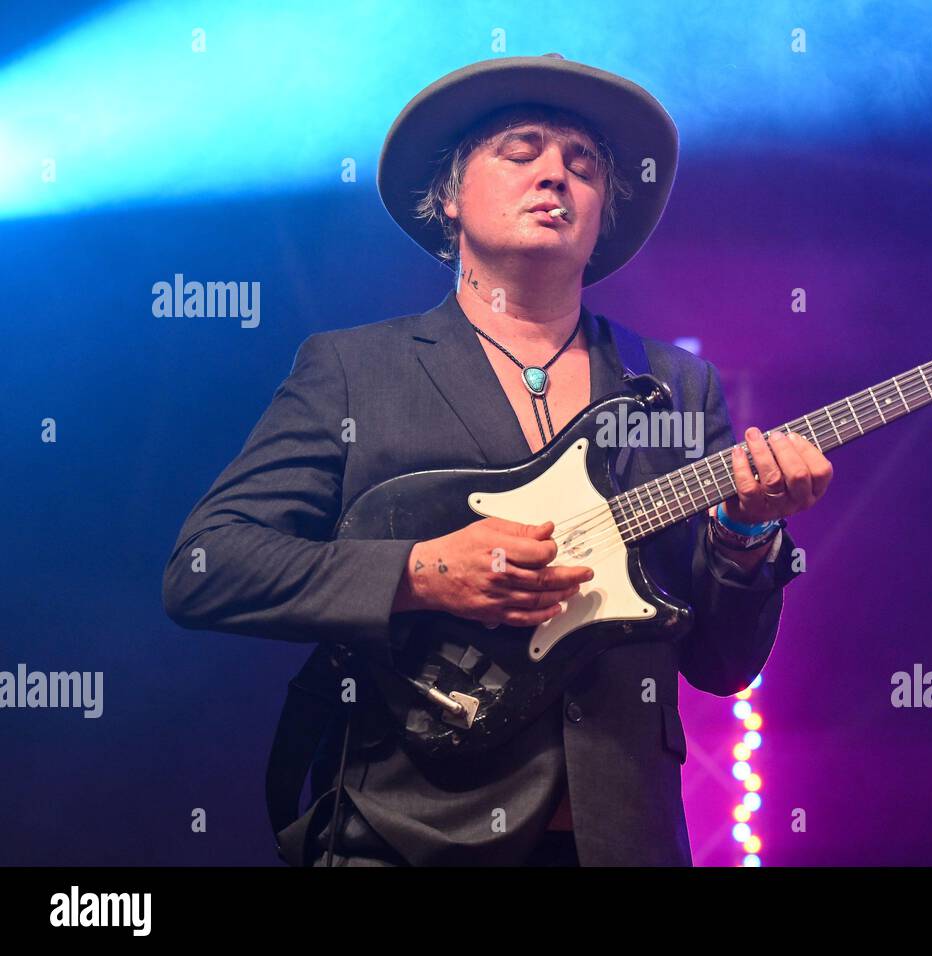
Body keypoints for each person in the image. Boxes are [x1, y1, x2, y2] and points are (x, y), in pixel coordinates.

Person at [162, 54, 832, 867]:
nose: (556, 174)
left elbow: (722, 667)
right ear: (449, 197)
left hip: (623, 841)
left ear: (600, 215)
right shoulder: (353, 369)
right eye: (521, 152)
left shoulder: (675, 385)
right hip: (403, 838)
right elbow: (207, 568)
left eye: (583, 167)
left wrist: (743, 538)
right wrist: (422, 572)